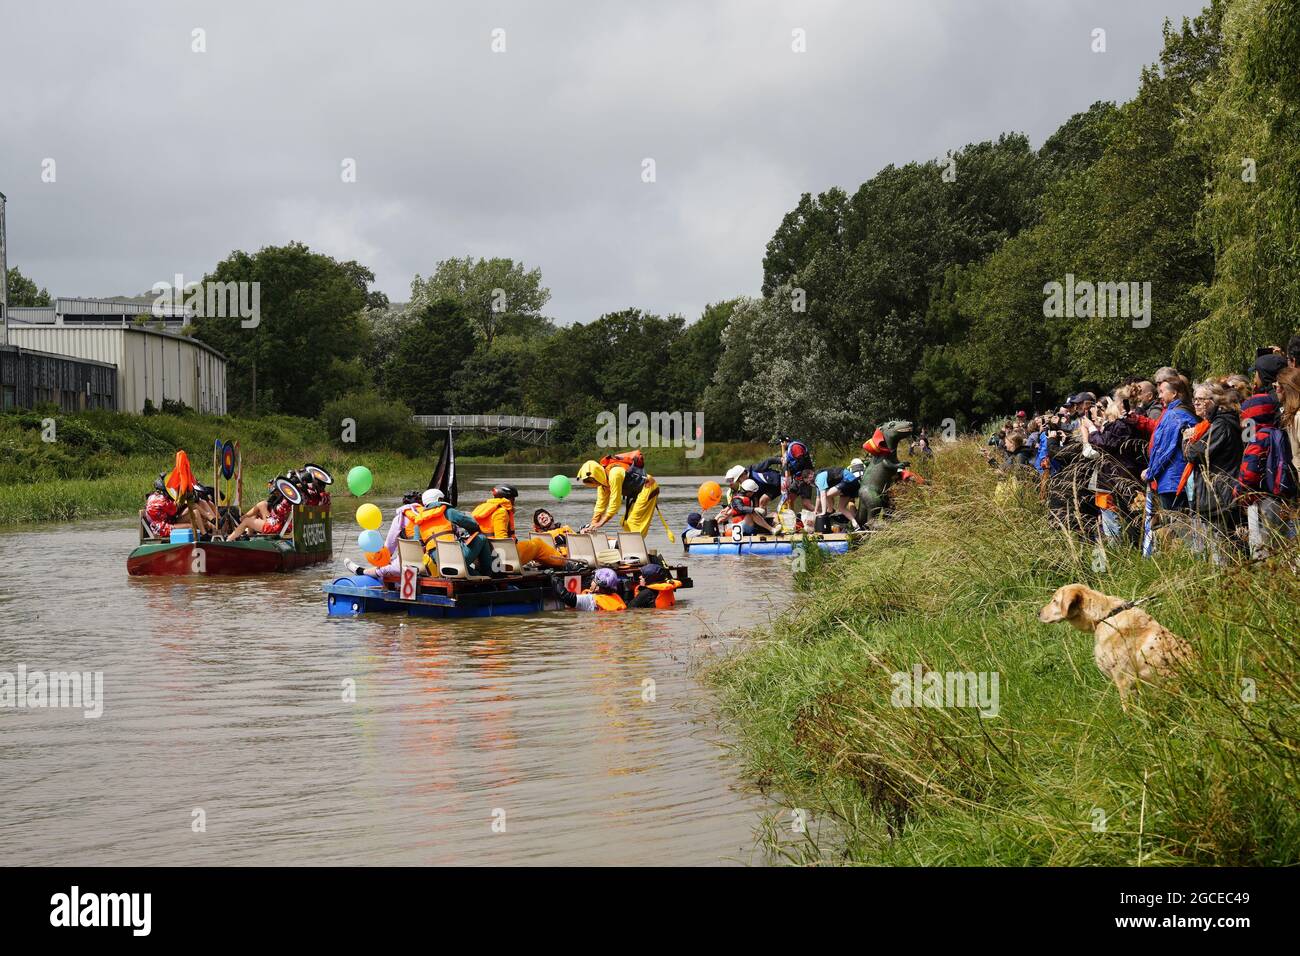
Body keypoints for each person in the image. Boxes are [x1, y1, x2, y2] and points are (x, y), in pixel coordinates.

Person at [577, 453, 660, 536]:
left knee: (634, 522)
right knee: (625, 523)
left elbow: (615, 504)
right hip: (638, 493)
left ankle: (635, 546)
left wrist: (601, 523)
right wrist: (592, 525)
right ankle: (631, 544)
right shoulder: (602, 484)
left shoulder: (614, 474)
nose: (594, 484)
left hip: (649, 487)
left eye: (593, 481)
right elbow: (600, 505)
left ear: (596, 475)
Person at [556, 567, 626, 612]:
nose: (591, 581)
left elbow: (565, 597)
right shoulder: (616, 597)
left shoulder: (591, 600)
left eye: (593, 579)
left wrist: (554, 577)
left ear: (598, 586)